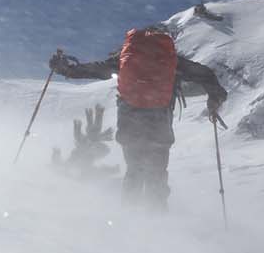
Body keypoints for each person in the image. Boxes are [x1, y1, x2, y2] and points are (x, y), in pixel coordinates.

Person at [48, 25, 226, 210]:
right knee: (157, 173)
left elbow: (96, 70)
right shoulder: (171, 60)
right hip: (160, 120)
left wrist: (66, 69)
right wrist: (215, 98)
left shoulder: (125, 57)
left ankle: (130, 219)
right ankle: (157, 216)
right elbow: (206, 74)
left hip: (130, 119)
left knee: (134, 170)